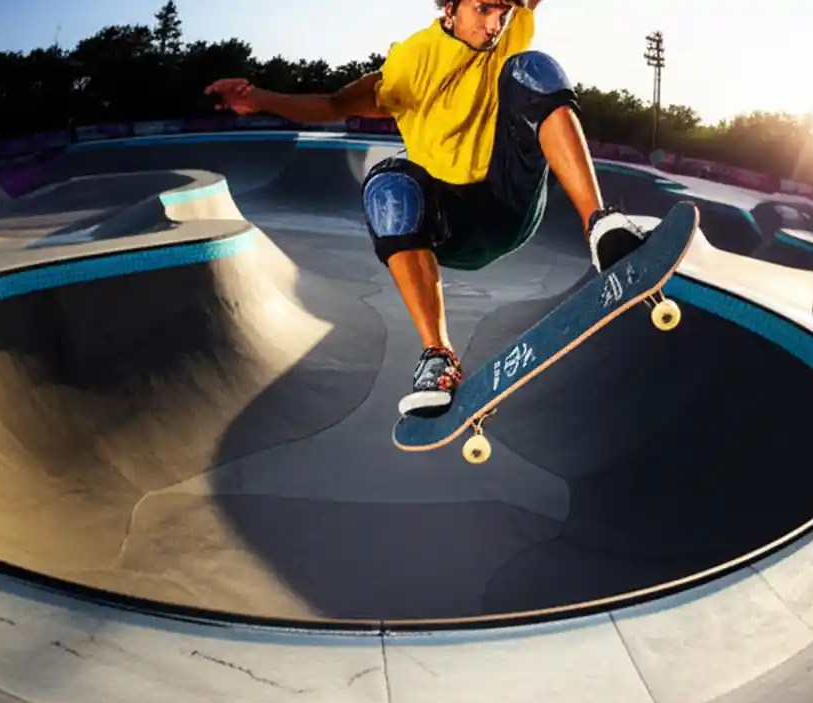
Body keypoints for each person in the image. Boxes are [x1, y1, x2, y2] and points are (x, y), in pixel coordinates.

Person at [205, 0, 648, 416]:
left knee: (533, 68)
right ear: (450, 6)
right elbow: (335, 104)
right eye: (483, 9)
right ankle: (438, 356)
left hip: (509, 202)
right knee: (387, 184)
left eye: (504, 12)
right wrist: (260, 99)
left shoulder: (511, 31)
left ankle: (600, 226)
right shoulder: (413, 62)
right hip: (450, 226)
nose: (495, 25)